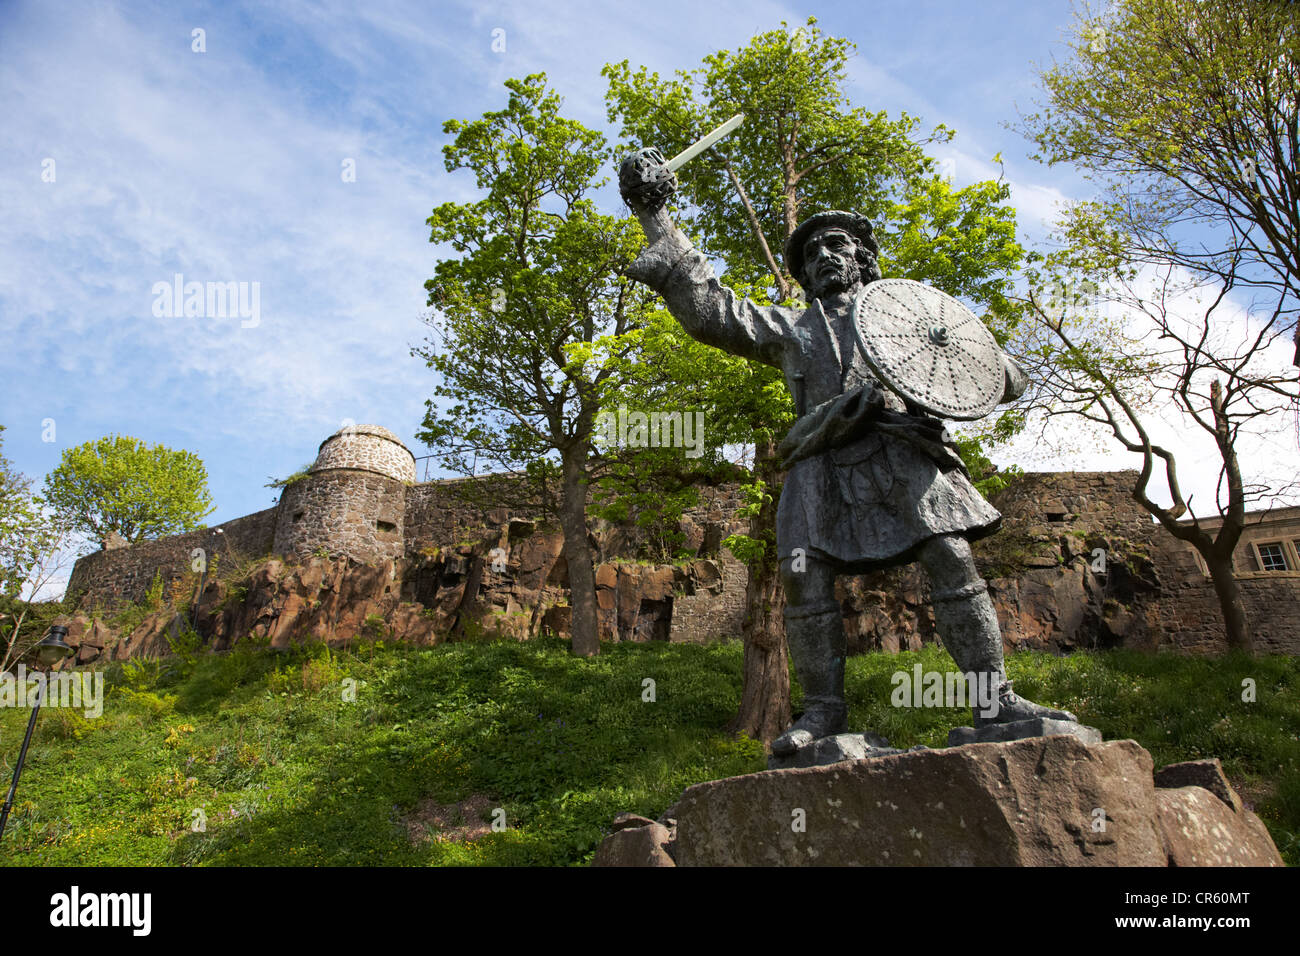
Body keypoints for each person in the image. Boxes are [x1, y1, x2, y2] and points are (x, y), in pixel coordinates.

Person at [619, 153, 1076, 756]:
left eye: (835, 246)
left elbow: (995, 374)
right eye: (810, 255)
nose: (823, 258)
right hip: (821, 463)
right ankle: (823, 715)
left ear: (862, 259)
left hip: (901, 452)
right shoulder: (790, 328)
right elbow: (713, 312)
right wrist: (657, 218)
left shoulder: (910, 318)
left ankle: (995, 703)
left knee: (951, 557)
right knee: (804, 578)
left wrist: (991, 368)